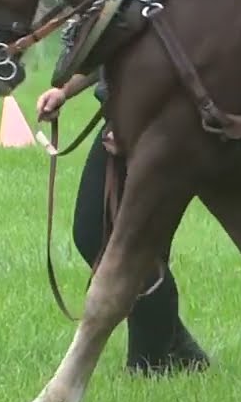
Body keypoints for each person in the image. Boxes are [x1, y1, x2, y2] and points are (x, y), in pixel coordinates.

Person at [36, 69, 210, 375]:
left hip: (165, 126)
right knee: (92, 235)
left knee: (140, 246)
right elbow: (107, 46)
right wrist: (65, 91)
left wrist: (136, 118)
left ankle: (148, 365)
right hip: (121, 118)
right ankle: (179, 348)